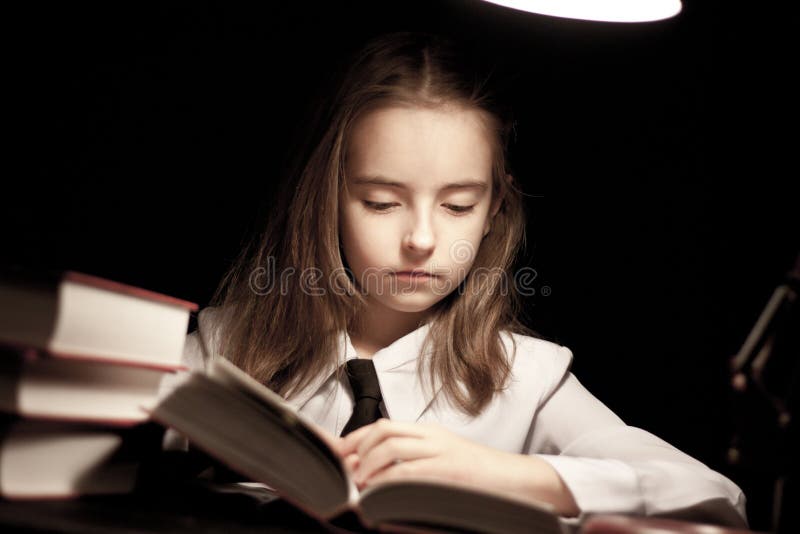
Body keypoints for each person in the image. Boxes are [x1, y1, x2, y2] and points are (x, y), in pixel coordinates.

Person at [159, 31, 748, 528]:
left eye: (458, 206)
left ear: (495, 210)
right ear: (327, 201)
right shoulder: (223, 344)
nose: (421, 239)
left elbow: (714, 495)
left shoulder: (527, 376)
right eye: (382, 202)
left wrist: (503, 473)